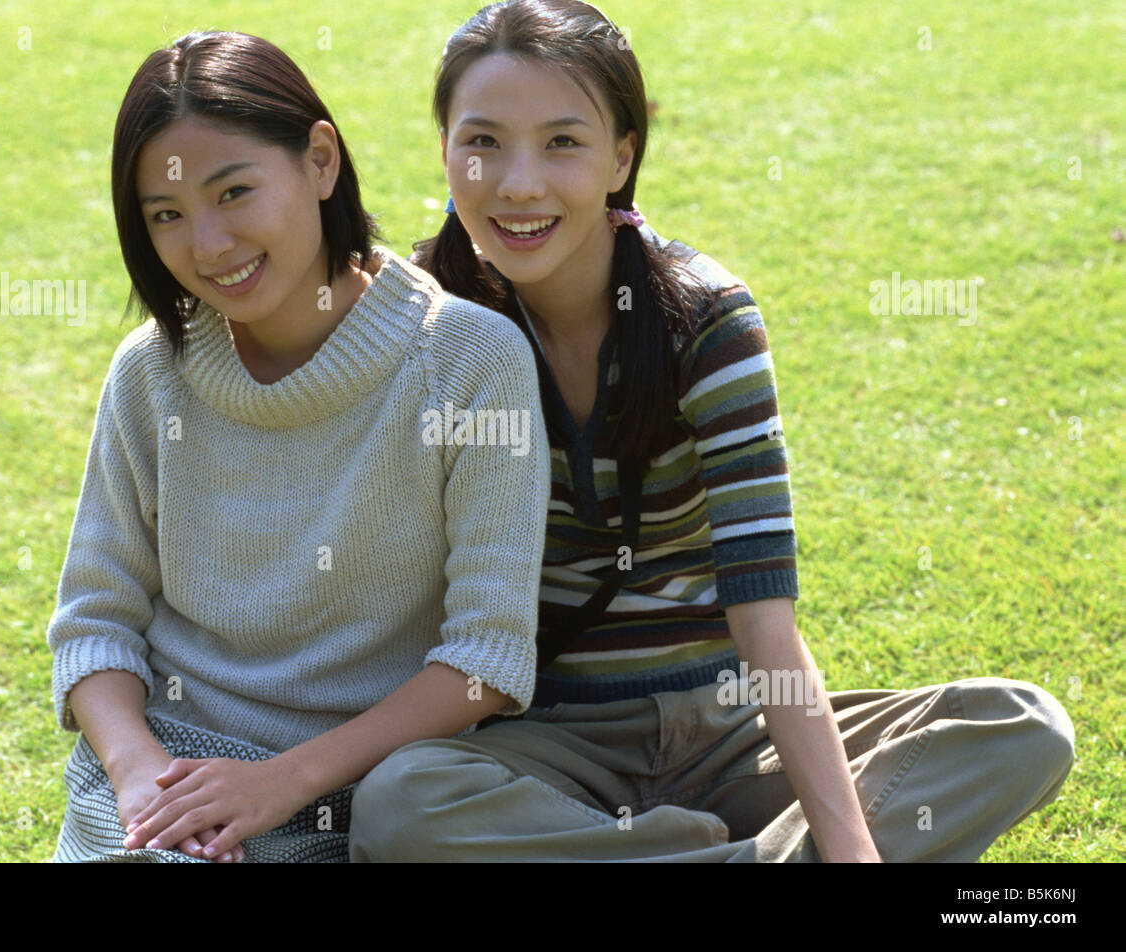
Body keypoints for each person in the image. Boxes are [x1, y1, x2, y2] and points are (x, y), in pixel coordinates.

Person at [347, 0, 1076, 862]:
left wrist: (848, 847)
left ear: (622, 157)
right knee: (400, 805)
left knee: (1020, 725)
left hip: (726, 731)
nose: (518, 183)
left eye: (563, 142)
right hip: (546, 745)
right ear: (443, 150)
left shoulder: (704, 316)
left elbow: (765, 619)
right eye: (483, 141)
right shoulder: (419, 323)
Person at [46, 29, 550, 863]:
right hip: (156, 791)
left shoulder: (468, 362)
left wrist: (282, 781)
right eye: (167, 215)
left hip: (352, 793)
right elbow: (95, 623)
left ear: (321, 161)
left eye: (234, 192)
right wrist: (141, 778)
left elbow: (486, 660)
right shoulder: (150, 373)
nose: (208, 246)